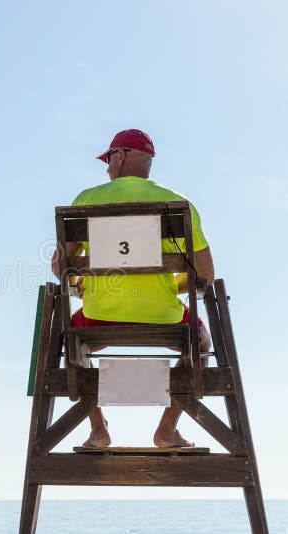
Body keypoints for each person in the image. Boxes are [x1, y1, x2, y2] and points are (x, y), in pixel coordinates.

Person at [50, 129, 216, 448]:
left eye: (108, 159)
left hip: (99, 318)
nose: (107, 167)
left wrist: (80, 283)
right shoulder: (180, 204)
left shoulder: (86, 200)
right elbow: (205, 276)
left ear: (121, 156)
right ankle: (167, 430)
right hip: (165, 318)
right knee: (201, 339)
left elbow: (61, 268)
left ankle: (98, 430)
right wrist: (169, 288)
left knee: (70, 340)